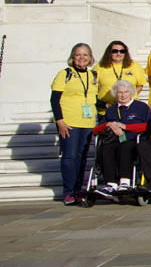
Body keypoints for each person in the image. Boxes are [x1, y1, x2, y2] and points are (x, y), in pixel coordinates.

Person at [52, 44, 100, 205]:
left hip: (87, 122)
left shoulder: (92, 75)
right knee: (70, 156)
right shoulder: (65, 74)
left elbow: (94, 98)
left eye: (85, 55)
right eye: (78, 55)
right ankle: (68, 192)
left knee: (81, 157)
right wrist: (59, 121)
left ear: (90, 57)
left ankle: (78, 190)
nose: (82, 58)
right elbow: (54, 99)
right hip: (69, 122)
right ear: (72, 57)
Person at [92, 80, 151, 199]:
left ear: (131, 93)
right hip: (114, 140)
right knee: (106, 147)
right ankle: (111, 183)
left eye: (125, 92)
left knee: (125, 146)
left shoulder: (141, 107)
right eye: (120, 92)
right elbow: (96, 130)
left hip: (134, 140)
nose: (123, 95)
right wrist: (109, 124)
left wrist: (125, 126)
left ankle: (125, 181)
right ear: (115, 94)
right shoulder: (112, 109)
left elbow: (150, 125)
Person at [96, 40, 146, 113]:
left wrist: (126, 99)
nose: (118, 54)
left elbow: (140, 85)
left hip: (129, 109)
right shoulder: (99, 67)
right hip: (106, 110)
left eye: (122, 51)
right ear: (109, 52)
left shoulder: (135, 66)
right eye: (115, 51)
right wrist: (106, 104)